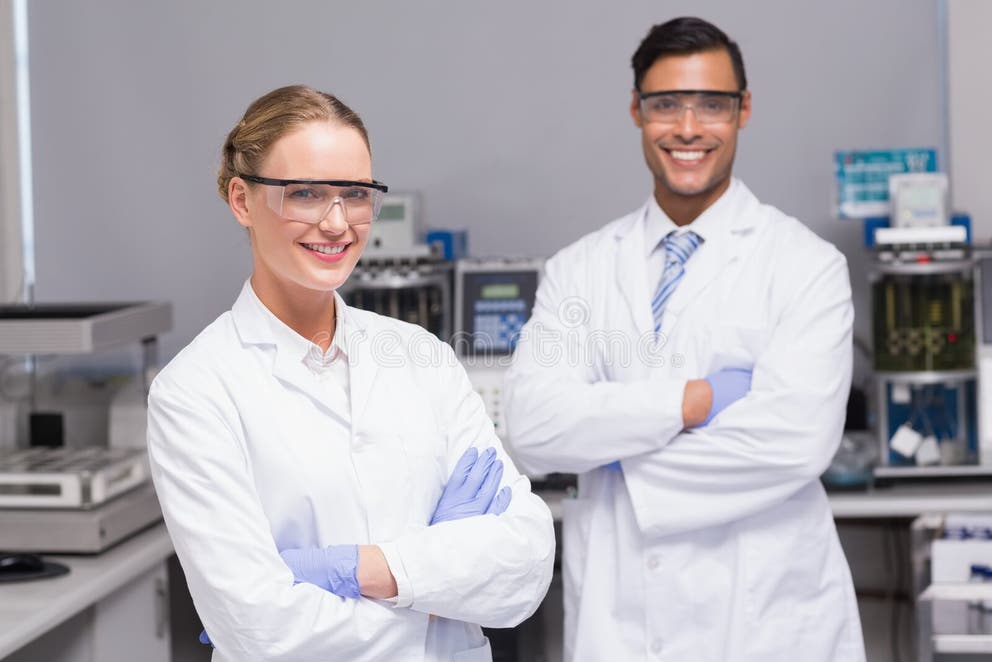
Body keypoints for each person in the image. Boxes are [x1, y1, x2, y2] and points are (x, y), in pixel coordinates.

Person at [146, 85, 555, 662]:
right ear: (242, 200)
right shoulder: (195, 391)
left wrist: (362, 569)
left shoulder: (422, 356)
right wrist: (437, 589)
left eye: (356, 194)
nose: (337, 223)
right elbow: (263, 631)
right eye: (306, 193)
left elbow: (527, 566)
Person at [504, 17, 865, 662]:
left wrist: (611, 455)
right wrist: (693, 402)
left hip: (766, 625)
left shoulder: (804, 266)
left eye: (712, 104)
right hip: (623, 624)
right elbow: (532, 429)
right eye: (666, 103)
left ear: (743, 111)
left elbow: (794, 442)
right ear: (637, 112)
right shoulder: (579, 268)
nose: (689, 127)